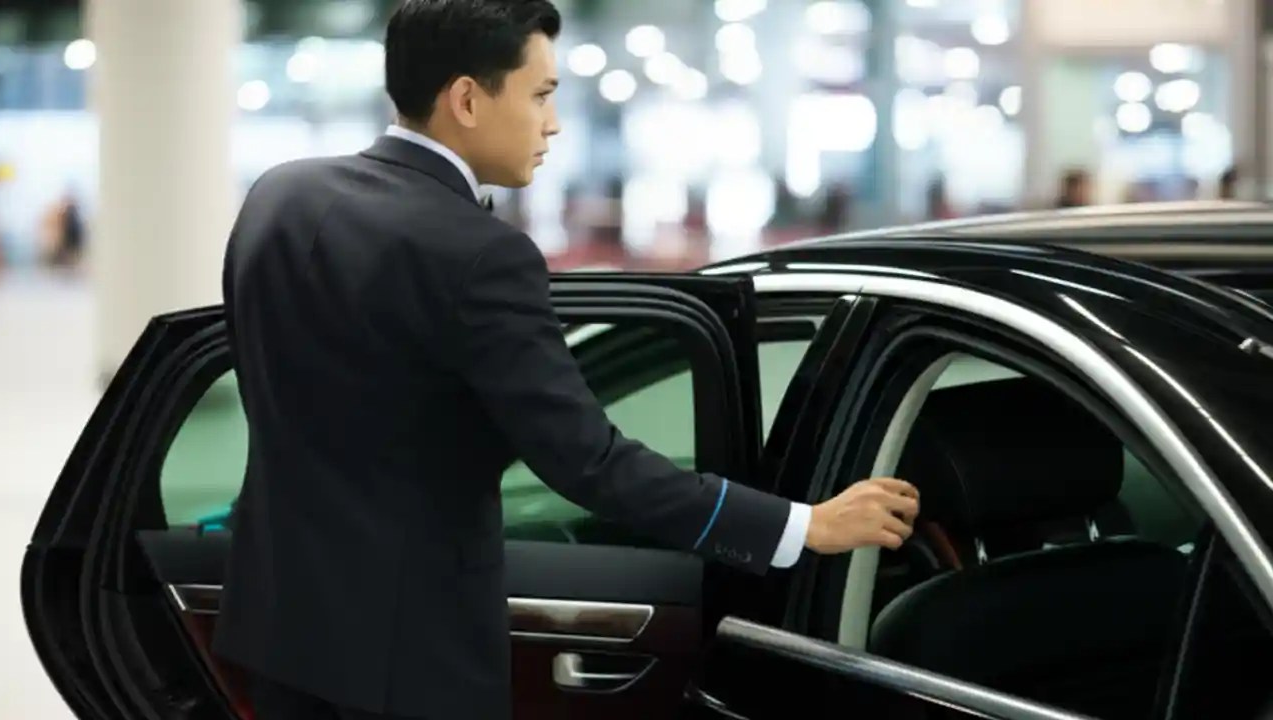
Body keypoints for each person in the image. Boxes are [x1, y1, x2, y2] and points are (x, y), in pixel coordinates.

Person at [212, 2, 920, 719]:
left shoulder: (279, 197)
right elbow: (591, 462)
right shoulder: (480, 254)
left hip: (277, 627)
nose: (553, 123)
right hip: (408, 661)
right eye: (541, 95)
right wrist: (801, 527)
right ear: (466, 98)